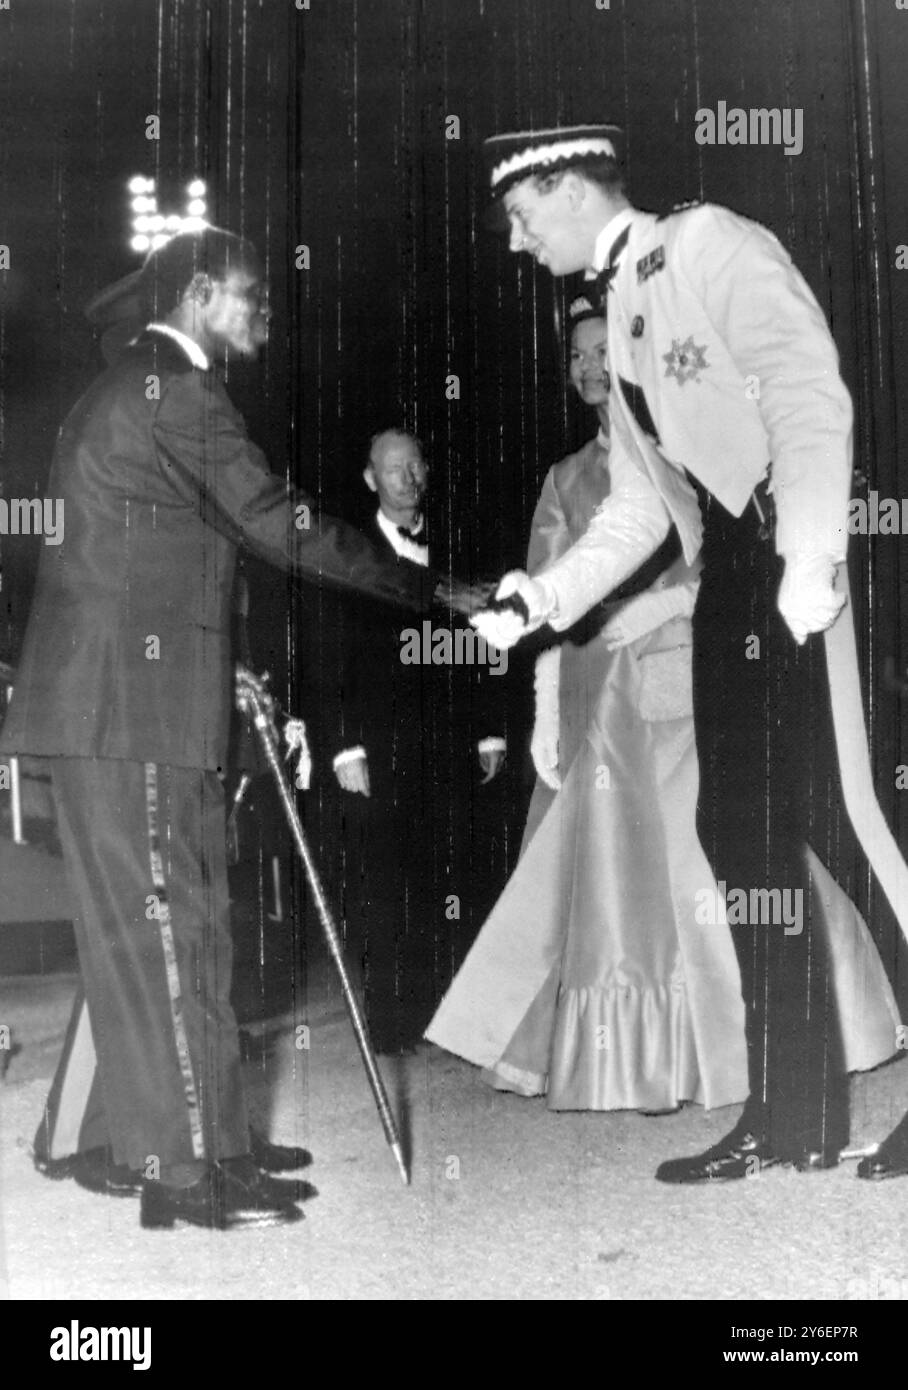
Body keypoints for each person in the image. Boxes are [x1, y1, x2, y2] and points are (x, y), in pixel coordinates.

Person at [0, 228, 476, 1229]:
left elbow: (158, 554)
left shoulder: (147, 386)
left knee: (187, 926)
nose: (265, 309)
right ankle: (185, 1174)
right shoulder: (174, 390)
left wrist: (226, 665)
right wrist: (429, 587)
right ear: (201, 290)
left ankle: (191, 1141)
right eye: (252, 293)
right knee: (171, 932)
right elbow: (275, 522)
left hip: (138, 698)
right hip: (128, 709)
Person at [470, 124, 905, 1181]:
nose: (518, 242)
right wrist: (546, 596)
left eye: (522, 217)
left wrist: (810, 554)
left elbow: (804, 387)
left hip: (797, 545)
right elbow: (636, 505)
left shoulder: (707, 242)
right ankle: (791, 1113)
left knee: (856, 819)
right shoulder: (618, 306)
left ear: (567, 188)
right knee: (742, 835)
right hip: (732, 574)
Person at [427, 296, 748, 1113]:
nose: (588, 366)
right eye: (576, 355)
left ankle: (691, 1053)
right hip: (588, 693)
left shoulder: (681, 442)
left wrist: (662, 608)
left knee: (676, 864)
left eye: (602, 349)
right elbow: (542, 599)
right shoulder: (564, 478)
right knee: (579, 877)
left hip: (672, 683)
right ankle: (584, 1053)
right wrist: (544, 705)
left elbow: (725, 564)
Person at [323, 427, 507, 1053]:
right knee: (385, 879)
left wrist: (488, 727)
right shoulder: (348, 551)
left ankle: (452, 1019)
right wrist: (345, 745)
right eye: (393, 470)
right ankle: (392, 1022)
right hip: (379, 740)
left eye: (415, 467)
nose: (408, 480)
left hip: (450, 733)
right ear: (371, 478)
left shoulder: (456, 540)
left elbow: (483, 639)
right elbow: (328, 650)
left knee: (454, 871)